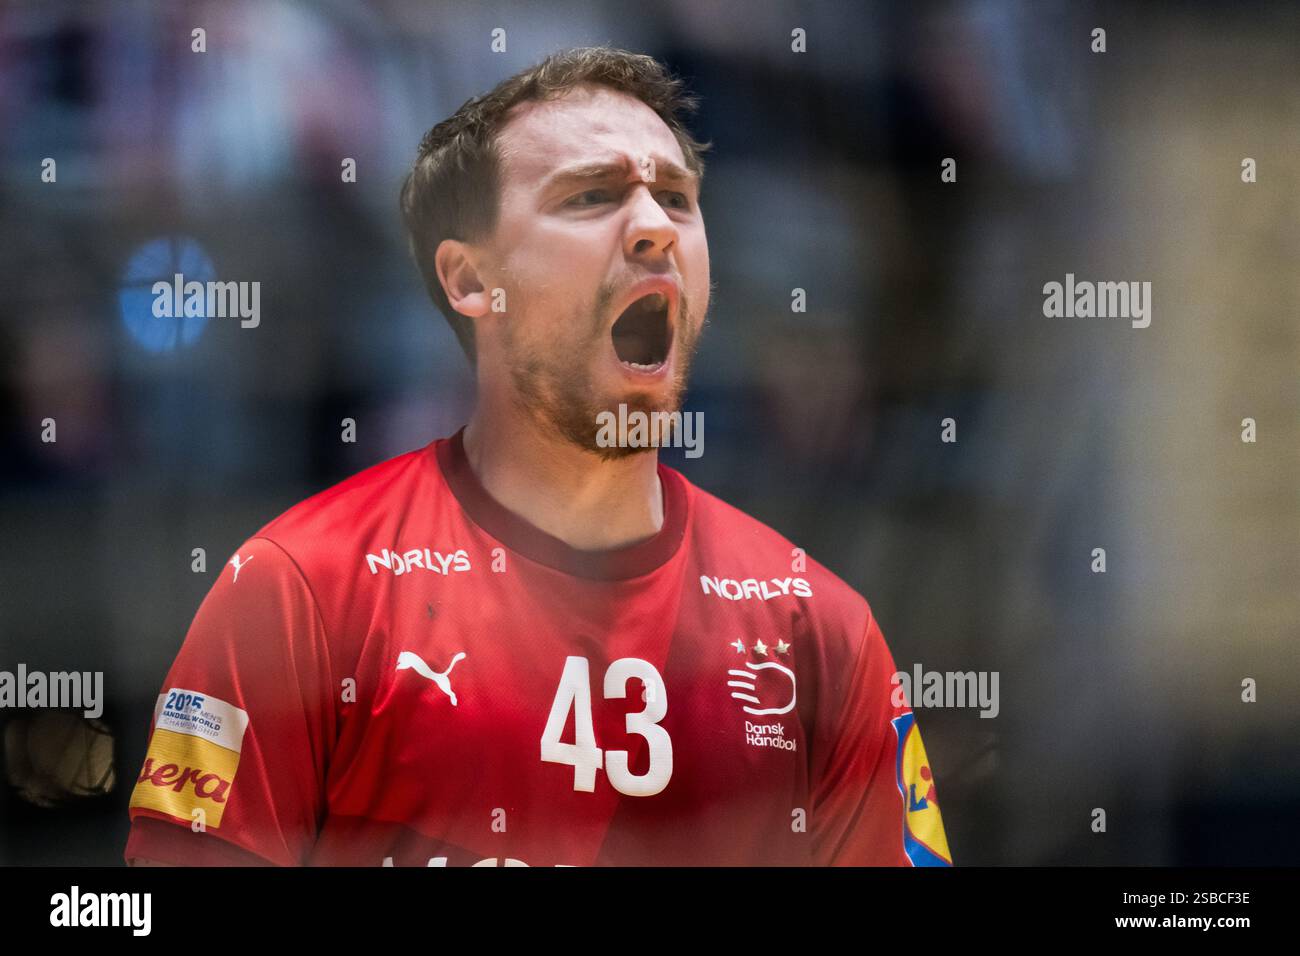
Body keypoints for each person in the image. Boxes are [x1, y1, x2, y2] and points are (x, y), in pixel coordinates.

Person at [125, 46, 951, 867]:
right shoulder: (297, 590)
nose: (656, 227)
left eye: (676, 198)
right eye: (592, 196)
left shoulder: (821, 633)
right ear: (471, 281)